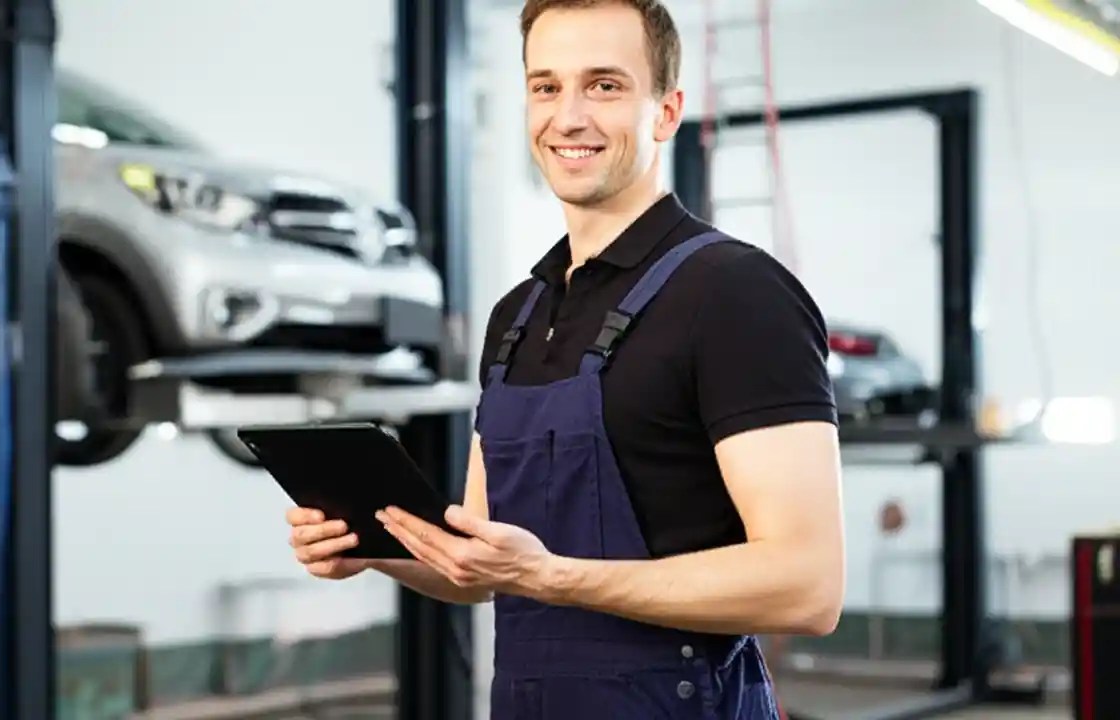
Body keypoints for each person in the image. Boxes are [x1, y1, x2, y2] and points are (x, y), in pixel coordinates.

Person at [285, 0, 846, 716]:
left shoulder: (736, 293)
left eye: (604, 85)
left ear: (666, 111)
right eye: (546, 86)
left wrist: (554, 577)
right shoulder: (517, 317)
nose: (569, 116)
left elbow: (808, 586)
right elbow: (480, 566)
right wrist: (376, 548)